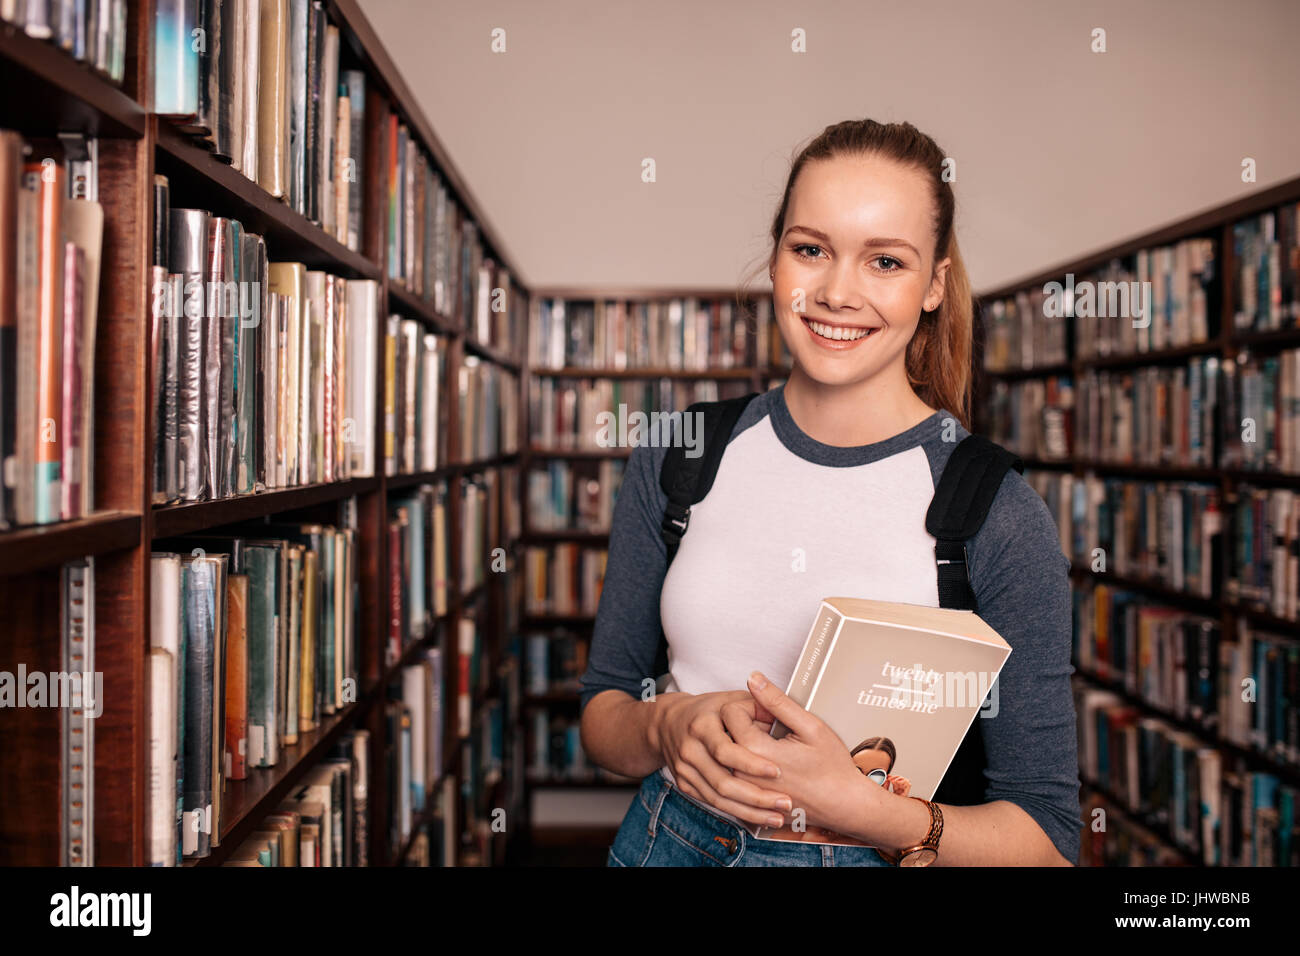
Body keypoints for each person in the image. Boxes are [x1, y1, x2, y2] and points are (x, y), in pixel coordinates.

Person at [578, 118, 1082, 867]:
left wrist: (873, 812)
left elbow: (1048, 840)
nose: (837, 293)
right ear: (776, 257)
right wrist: (666, 727)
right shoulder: (683, 455)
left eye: (885, 261)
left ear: (935, 284)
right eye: (810, 249)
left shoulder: (995, 511)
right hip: (664, 840)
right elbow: (603, 715)